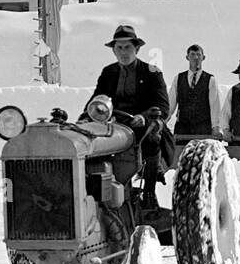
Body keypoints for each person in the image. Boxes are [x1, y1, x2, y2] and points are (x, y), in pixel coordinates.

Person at [88, 24, 171, 211]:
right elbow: (96, 99)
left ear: (137, 49)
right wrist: (84, 119)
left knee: (152, 139)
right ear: (114, 51)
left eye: (128, 48)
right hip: (113, 124)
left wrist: (144, 117)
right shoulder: (108, 73)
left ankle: (149, 190)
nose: (123, 52)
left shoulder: (152, 72)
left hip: (143, 124)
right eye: (119, 48)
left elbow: (163, 107)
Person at [166, 44, 222, 139]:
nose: (196, 57)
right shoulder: (178, 78)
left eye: (198, 55)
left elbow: (215, 106)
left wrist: (215, 128)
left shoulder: (210, 79)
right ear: (187, 57)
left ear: (203, 57)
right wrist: (162, 122)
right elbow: (170, 104)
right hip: (182, 129)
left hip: (203, 129)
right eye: (192, 54)